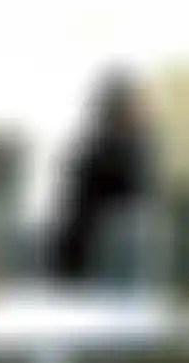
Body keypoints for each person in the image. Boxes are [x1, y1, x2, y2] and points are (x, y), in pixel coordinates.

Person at [53, 70, 157, 280]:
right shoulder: (111, 151)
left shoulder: (105, 146)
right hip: (92, 255)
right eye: (134, 107)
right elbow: (135, 198)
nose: (142, 113)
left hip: (89, 249)